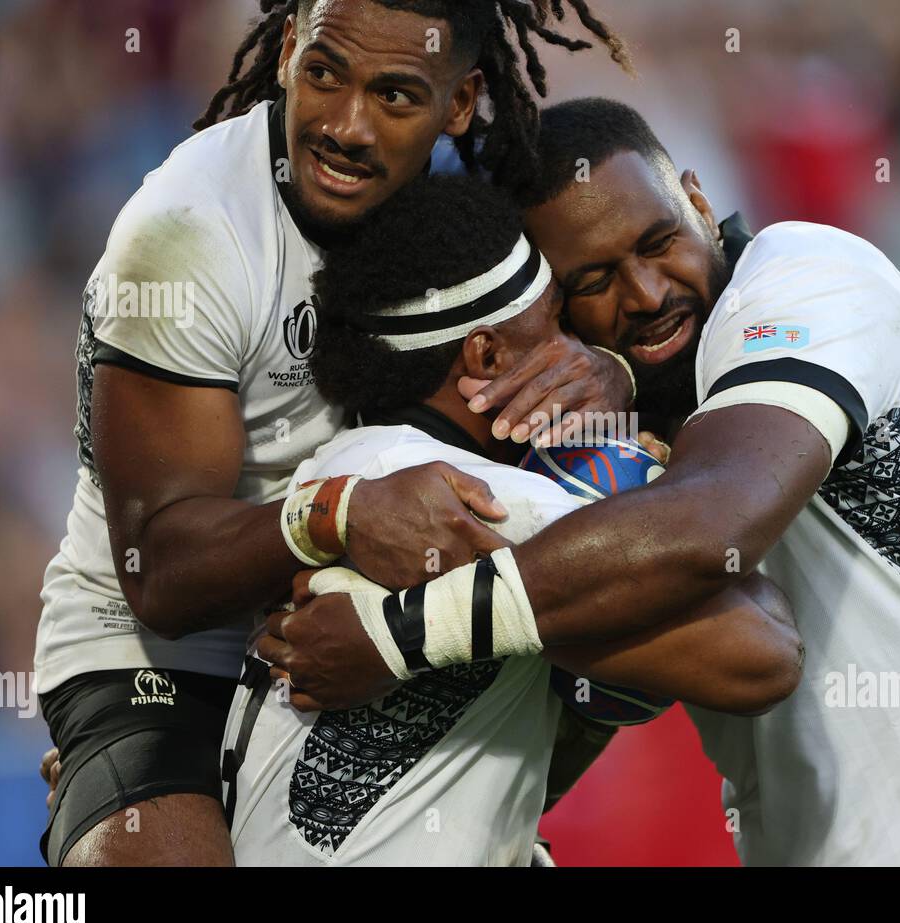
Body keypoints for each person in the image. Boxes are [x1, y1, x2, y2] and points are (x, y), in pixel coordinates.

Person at [267, 97, 900, 866]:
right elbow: (602, 691)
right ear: (549, 312)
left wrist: (401, 634)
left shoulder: (805, 273)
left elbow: (713, 530)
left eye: (657, 243)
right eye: (595, 282)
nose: (647, 294)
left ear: (694, 195)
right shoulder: (610, 460)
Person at [35, 1, 634, 868]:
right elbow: (156, 574)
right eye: (323, 74)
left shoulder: (483, 191)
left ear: (461, 103)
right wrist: (338, 516)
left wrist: (608, 367)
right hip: (165, 655)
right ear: (286, 50)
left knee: (616, 648)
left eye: (394, 95)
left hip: (377, 605)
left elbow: (648, 281)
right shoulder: (184, 236)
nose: (346, 126)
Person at [225, 173, 801, 865]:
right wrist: (630, 522)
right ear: (488, 355)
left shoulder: (352, 468)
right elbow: (762, 651)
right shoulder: (478, 498)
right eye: (557, 322)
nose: (580, 354)